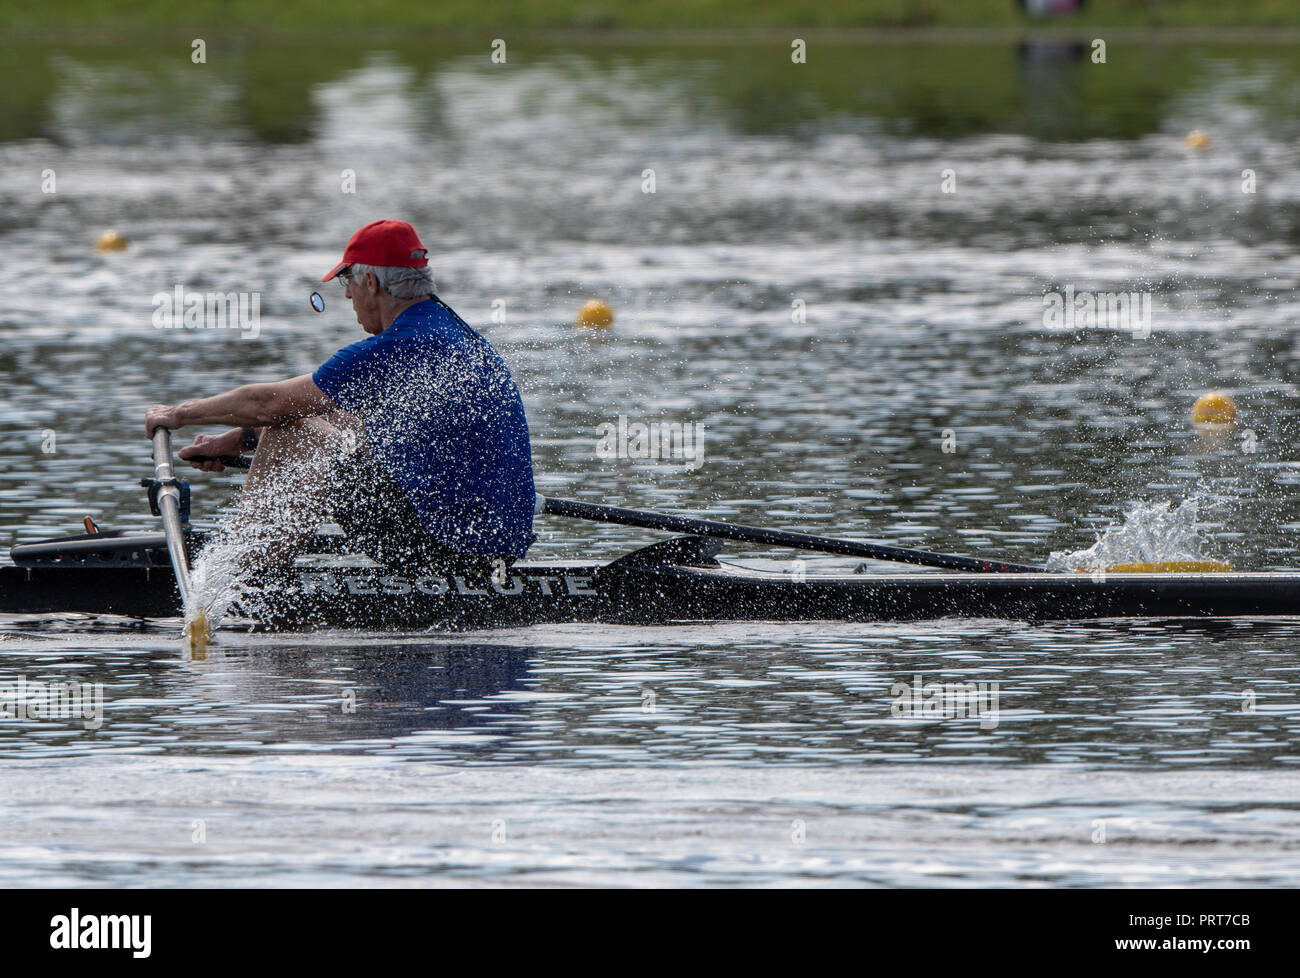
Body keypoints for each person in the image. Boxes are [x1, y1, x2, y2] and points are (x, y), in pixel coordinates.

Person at [144, 219, 535, 576]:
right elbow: (356, 424)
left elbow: (270, 403)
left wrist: (179, 414)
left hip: (451, 549)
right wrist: (244, 438)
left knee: (292, 430)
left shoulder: (398, 346)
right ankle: (252, 561)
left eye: (347, 281)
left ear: (371, 283)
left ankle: (240, 580)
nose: (347, 296)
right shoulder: (453, 332)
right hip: (495, 545)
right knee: (304, 426)